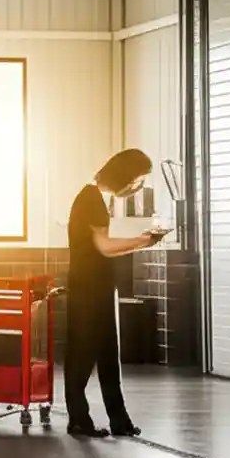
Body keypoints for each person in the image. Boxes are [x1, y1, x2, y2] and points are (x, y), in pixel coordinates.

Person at [66, 148, 166, 438]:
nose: (136, 187)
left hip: (95, 287)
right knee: (83, 356)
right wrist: (143, 241)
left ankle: (118, 421)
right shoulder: (92, 200)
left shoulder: (92, 198)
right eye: (136, 179)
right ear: (123, 175)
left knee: (108, 357)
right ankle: (79, 420)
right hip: (89, 291)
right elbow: (104, 247)